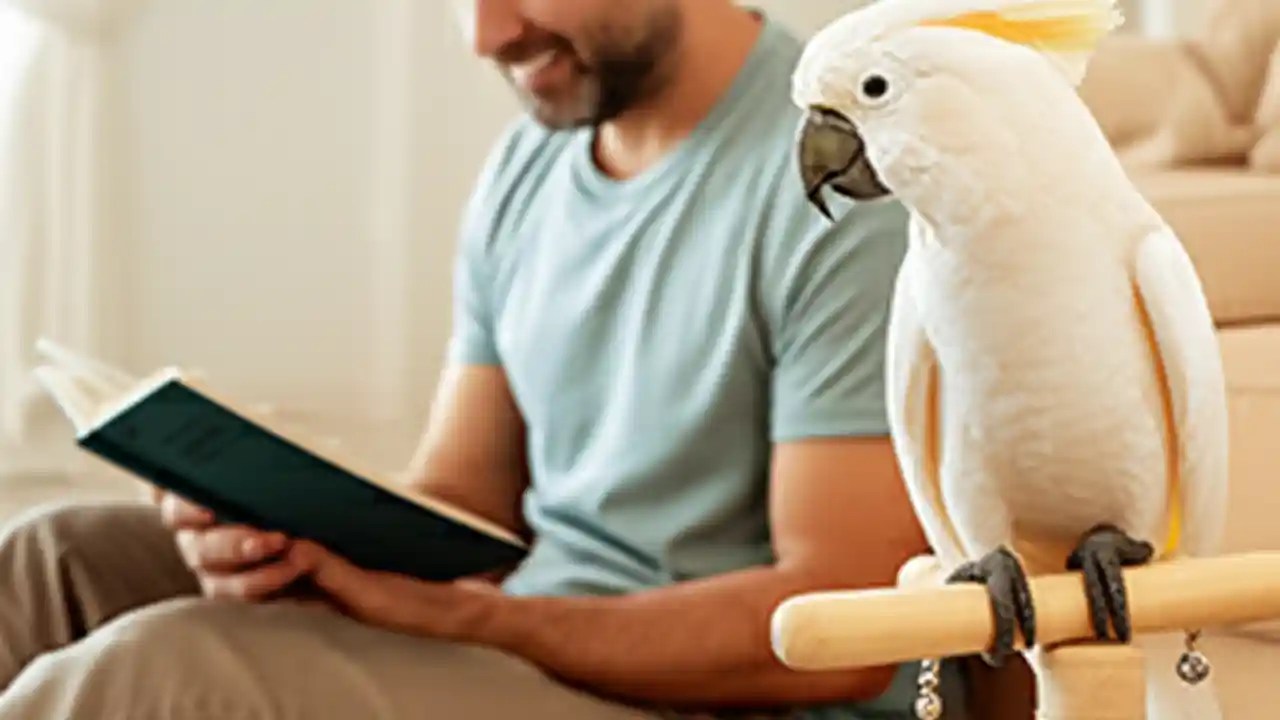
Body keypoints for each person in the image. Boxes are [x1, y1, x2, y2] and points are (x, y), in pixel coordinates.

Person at [0, 1, 965, 718]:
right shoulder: (530, 168)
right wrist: (291, 536)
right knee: (52, 559)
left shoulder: (842, 189)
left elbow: (841, 633)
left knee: (164, 669)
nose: (485, 34)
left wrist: (474, 623)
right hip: (536, 641)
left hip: (716, 700)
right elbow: (462, 502)